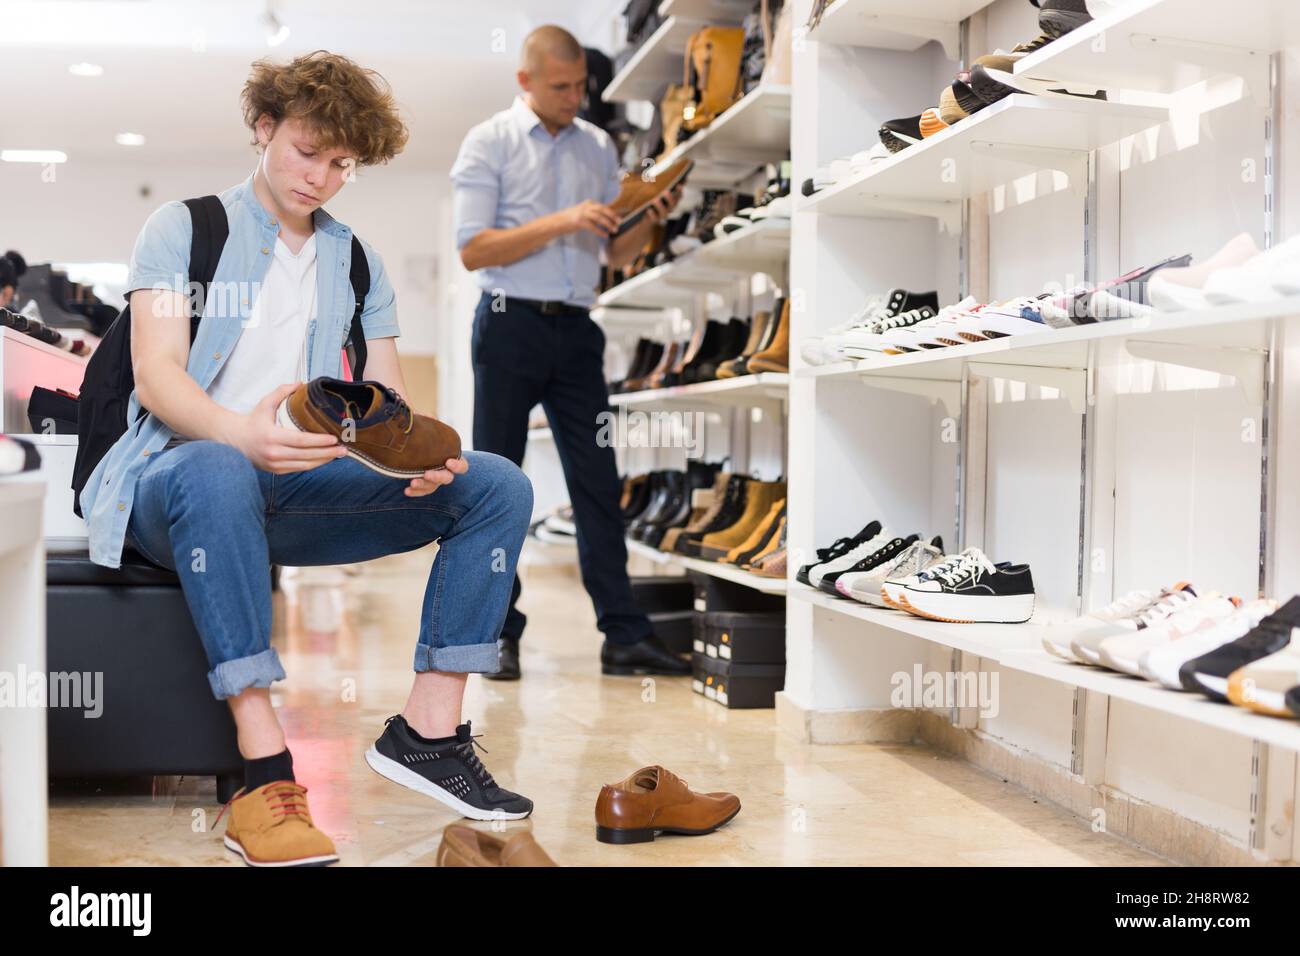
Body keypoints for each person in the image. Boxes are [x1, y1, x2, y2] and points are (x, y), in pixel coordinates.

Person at [79, 51, 534, 867]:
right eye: (306, 151)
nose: (320, 177)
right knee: (217, 466)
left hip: (294, 489)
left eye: (341, 164)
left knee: (495, 482)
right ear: (264, 128)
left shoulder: (355, 262)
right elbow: (156, 377)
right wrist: (239, 434)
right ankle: (264, 772)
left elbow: (391, 411)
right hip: (174, 481)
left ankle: (429, 733)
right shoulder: (184, 228)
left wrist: (414, 459)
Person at [451, 25, 688, 681]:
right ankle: (499, 634)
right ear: (525, 81)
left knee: (598, 484)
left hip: (579, 331)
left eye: (581, 84)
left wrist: (653, 215)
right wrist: (566, 219)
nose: (574, 96)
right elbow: (473, 249)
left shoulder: (599, 145)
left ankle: (624, 635)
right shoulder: (489, 142)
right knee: (500, 487)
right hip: (507, 325)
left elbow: (614, 255)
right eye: (561, 86)